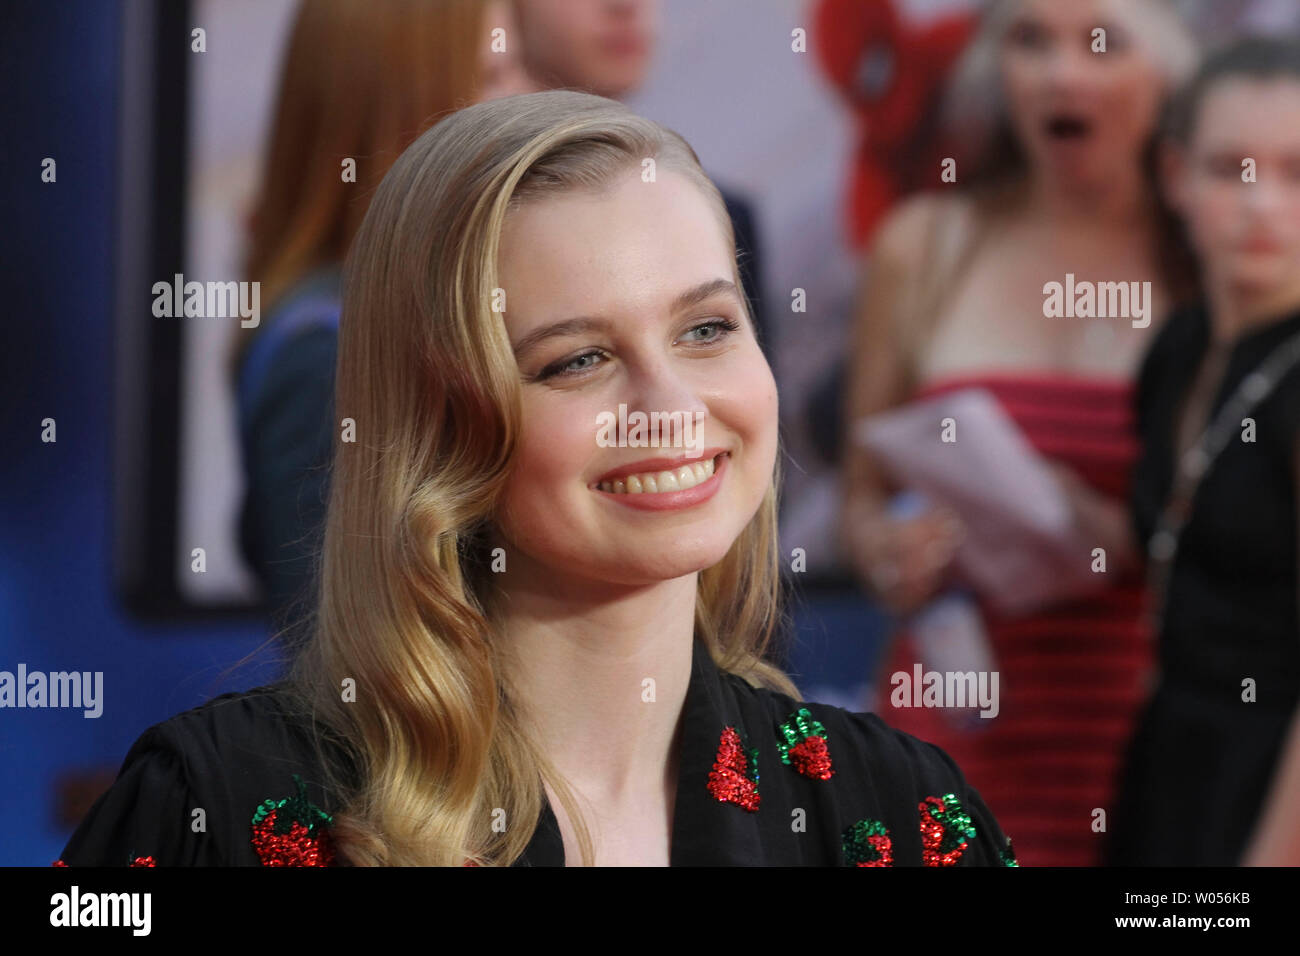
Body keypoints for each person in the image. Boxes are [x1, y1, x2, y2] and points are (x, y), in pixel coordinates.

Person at [57, 91, 1014, 867]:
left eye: (707, 329)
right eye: (577, 360)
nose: (670, 402)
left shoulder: (898, 816)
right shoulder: (218, 812)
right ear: (437, 426)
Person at [839, 0, 1198, 867]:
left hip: (1146, 737)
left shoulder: (1211, 260)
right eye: (1030, 40)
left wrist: (1115, 535)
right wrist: (889, 554)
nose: (1062, 74)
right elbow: (860, 494)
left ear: (1170, 72)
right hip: (950, 730)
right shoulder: (926, 245)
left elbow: (1255, 539)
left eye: (1101, 43)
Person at [235, 0, 537, 642]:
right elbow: (347, 664)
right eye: (492, 76)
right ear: (397, 107)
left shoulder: (411, 300)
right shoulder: (323, 353)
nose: (524, 102)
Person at [1108, 37, 1300, 867]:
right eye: (1232, 169)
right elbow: (1189, 530)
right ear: (1175, 174)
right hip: (1173, 762)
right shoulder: (1180, 346)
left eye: (1299, 171)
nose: (1263, 204)